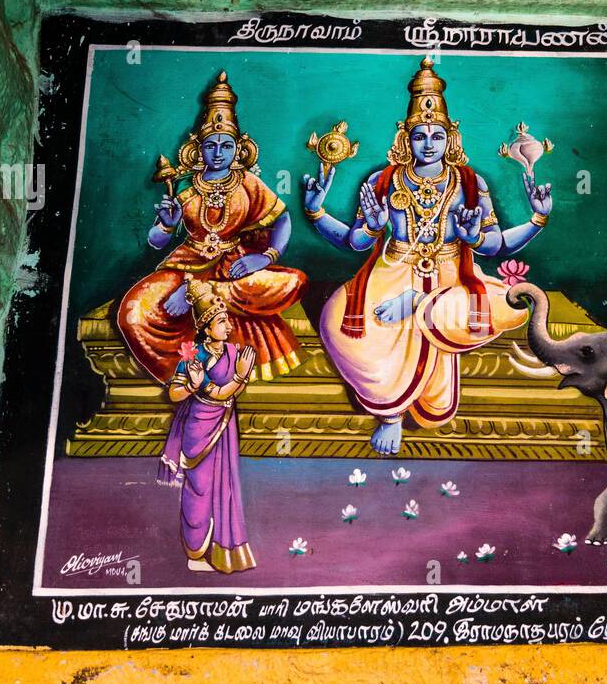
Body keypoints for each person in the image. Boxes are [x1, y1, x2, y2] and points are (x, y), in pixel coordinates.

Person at [302, 56, 552, 454]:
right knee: (342, 325)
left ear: (450, 138)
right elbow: (356, 243)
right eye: (421, 136)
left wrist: (535, 218)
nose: (430, 143)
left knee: (466, 308)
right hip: (393, 266)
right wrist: (318, 212)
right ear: (407, 138)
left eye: (437, 135)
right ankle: (390, 415)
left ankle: (421, 305)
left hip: (454, 272)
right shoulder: (383, 180)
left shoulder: (469, 182)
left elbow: (495, 245)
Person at [118, 71, 306, 384]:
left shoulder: (247, 183)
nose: (218, 153)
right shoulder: (188, 190)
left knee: (294, 282)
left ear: (238, 149)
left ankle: (207, 294)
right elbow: (154, 240)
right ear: (198, 149)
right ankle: (185, 376)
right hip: (186, 267)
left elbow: (282, 219)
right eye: (211, 146)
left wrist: (268, 257)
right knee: (133, 313)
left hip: (236, 269)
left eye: (226, 146)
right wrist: (166, 226)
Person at [157, 280, 257, 573]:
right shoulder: (193, 355)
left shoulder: (233, 351)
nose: (228, 327)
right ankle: (195, 554)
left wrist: (237, 379)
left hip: (224, 428)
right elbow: (176, 394)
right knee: (199, 490)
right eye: (221, 321)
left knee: (224, 488)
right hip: (199, 431)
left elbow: (228, 395)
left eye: (227, 320)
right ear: (205, 326)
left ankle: (224, 552)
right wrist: (195, 384)